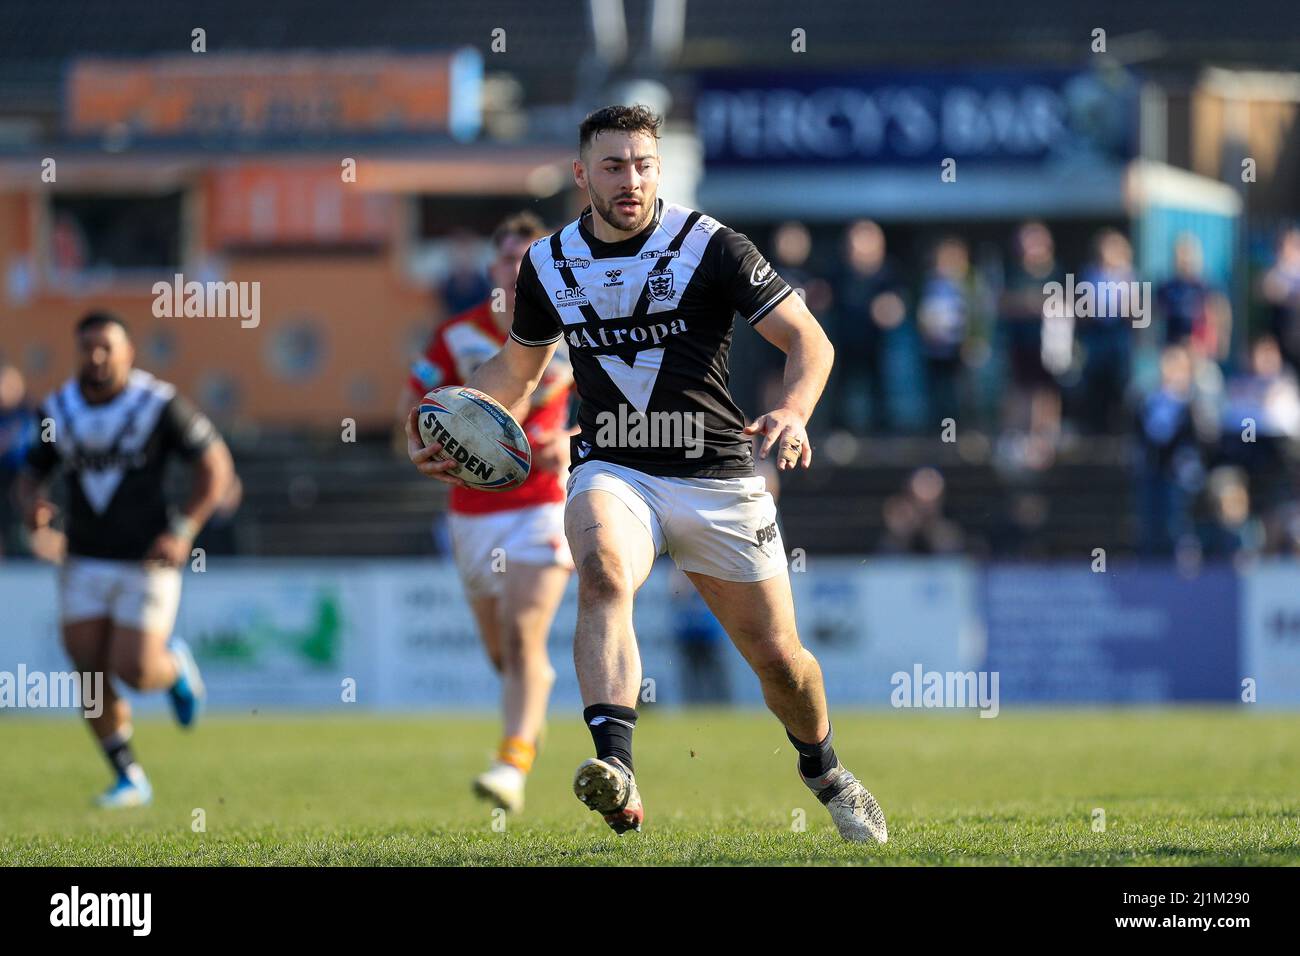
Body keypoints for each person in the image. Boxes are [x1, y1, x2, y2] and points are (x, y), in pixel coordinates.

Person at [404, 104, 887, 843]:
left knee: (780, 663)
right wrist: (450, 422)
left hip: (717, 474)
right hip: (614, 466)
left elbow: (808, 341)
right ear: (581, 174)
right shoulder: (548, 262)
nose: (630, 180)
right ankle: (617, 766)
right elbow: (517, 372)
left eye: (643, 164)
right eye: (613, 166)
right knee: (600, 571)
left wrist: (793, 412)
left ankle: (825, 770)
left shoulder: (712, 245)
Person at [15, 311, 235, 808]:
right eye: (86, 347)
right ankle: (128, 776)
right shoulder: (56, 410)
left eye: (106, 348)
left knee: (134, 668)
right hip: (83, 560)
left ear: (128, 353)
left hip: (147, 559)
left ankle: (175, 668)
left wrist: (184, 530)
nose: (96, 357)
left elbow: (215, 465)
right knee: (89, 671)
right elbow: (29, 478)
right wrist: (33, 510)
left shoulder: (158, 405)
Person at [398, 212, 576, 815]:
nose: (517, 269)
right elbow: (410, 413)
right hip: (471, 513)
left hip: (544, 505)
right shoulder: (455, 336)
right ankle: (529, 715)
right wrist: (421, 447)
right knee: (503, 654)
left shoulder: (579, 329)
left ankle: (511, 765)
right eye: (507, 259)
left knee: (525, 637)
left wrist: (572, 444)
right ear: (492, 268)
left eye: (529, 259)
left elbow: (621, 411)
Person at [833, 219, 905, 433]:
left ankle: (883, 432)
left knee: (879, 389)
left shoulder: (887, 273)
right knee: (842, 389)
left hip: (877, 343)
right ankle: (842, 432)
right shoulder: (840, 272)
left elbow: (899, 304)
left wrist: (888, 308)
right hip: (845, 341)